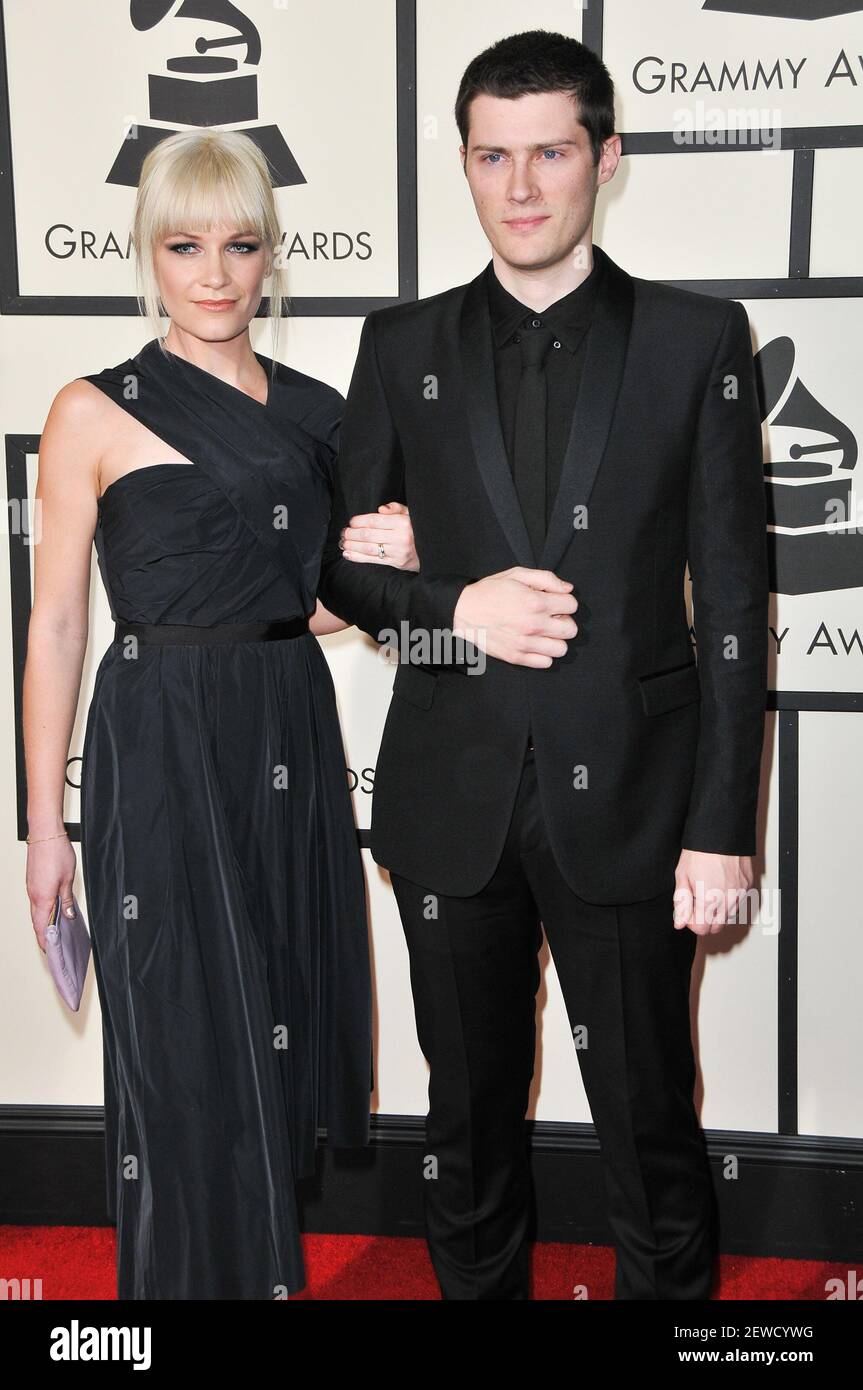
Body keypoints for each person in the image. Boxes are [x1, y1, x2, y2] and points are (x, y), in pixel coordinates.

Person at [319, 29, 769, 1300]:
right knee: (461, 1141)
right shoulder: (396, 342)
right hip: (445, 800)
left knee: (650, 1132)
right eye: (491, 157)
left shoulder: (694, 340)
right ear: (463, 166)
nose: (520, 188)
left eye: (551, 154)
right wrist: (452, 602)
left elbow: (734, 607)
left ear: (604, 159)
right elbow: (345, 576)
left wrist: (720, 829)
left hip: (633, 803)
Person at [22, 128, 417, 1300]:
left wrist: (391, 568)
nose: (212, 271)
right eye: (185, 244)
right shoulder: (91, 409)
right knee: (179, 1036)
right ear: (147, 254)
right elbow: (52, 630)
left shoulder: (316, 412)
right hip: (154, 738)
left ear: (269, 255)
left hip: (282, 730)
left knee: (272, 1018)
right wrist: (47, 826)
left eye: (238, 244)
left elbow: (336, 605)